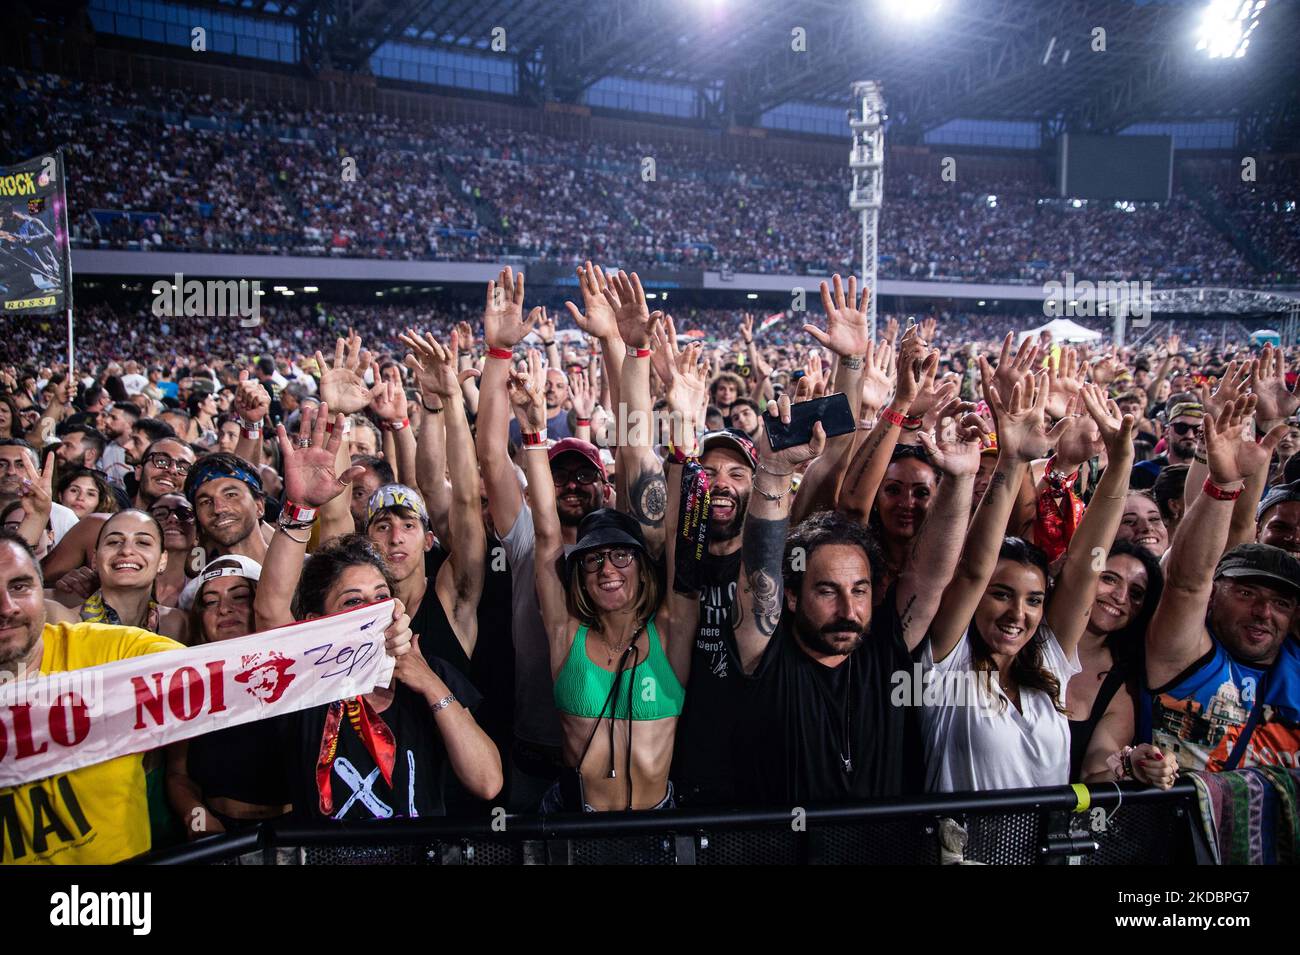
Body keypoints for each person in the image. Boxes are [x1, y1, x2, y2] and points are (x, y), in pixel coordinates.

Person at [921, 376, 1172, 791]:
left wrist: (1119, 463)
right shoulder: (948, 665)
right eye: (1000, 594)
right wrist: (1012, 460)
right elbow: (973, 569)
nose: (1018, 614)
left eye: (1035, 600)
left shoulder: (1048, 662)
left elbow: (1085, 568)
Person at [254, 403, 502, 819]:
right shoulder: (307, 679)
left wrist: (430, 685)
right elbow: (271, 612)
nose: (372, 610)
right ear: (316, 622)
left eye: (379, 596)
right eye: (352, 601)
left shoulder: (432, 673)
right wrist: (299, 509)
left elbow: (488, 783)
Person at [514, 333, 698, 811]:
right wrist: (534, 437)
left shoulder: (669, 628)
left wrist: (682, 443)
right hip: (578, 825)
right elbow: (550, 538)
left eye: (621, 555)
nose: (607, 568)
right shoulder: (565, 633)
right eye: (593, 558)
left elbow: (680, 536)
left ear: (641, 565)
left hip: (657, 827)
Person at [0, 529, 185, 864]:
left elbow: (231, 675)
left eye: (20, 586)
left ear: (44, 592)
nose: (6, 607)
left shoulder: (115, 651)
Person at [1146, 396, 1300, 772]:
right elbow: (1186, 581)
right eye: (1247, 594)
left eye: (1281, 603)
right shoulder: (1187, 655)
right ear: (1214, 595)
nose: (1264, 612)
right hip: (1180, 830)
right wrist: (1223, 484)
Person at [165, 556, 292, 842]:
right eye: (211, 601)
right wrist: (196, 817)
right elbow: (178, 776)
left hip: (296, 832)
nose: (224, 609)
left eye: (241, 596)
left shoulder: (296, 673)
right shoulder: (188, 686)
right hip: (220, 837)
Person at [1070, 541, 1166, 782]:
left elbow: (1092, 774)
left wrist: (1132, 767)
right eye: (1109, 579)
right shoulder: (1023, 641)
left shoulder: (1123, 686)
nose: (1120, 597)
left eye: (1136, 593)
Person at [79, 508, 187, 641]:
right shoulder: (62, 622)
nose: (126, 550)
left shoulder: (180, 626)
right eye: (114, 542)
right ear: (95, 559)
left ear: (162, 560)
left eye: (143, 542)